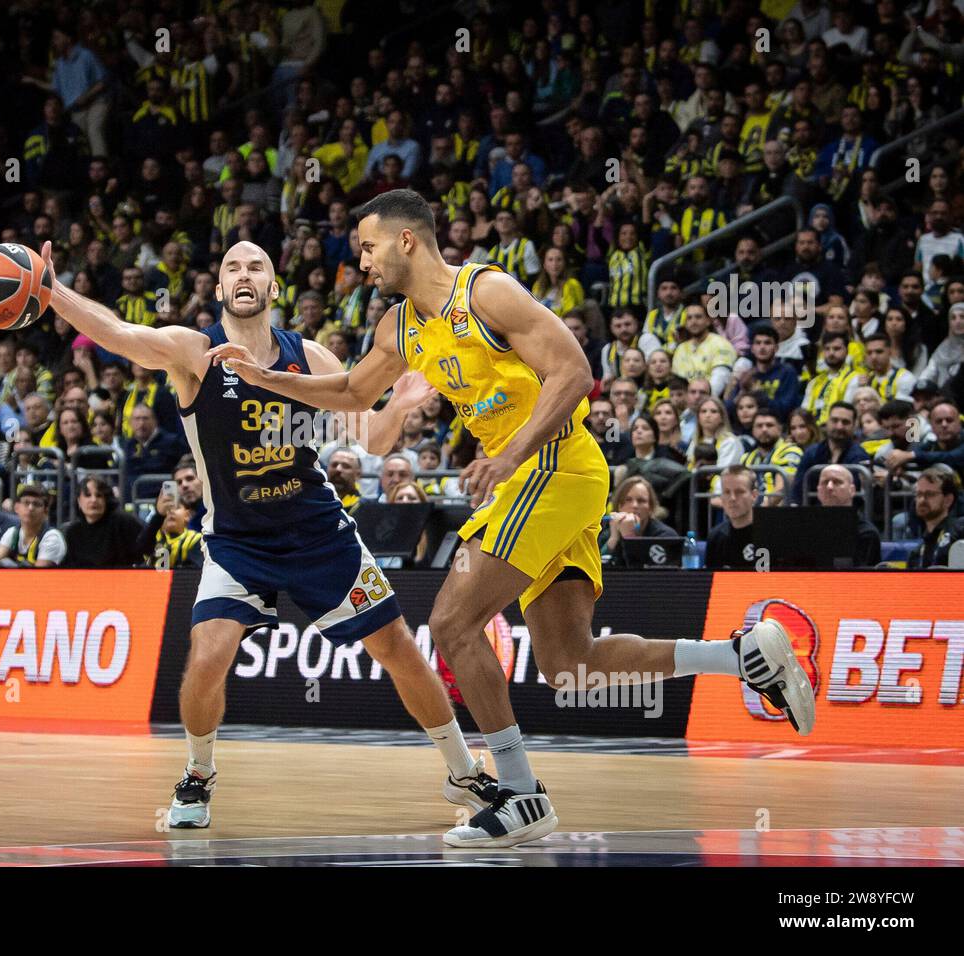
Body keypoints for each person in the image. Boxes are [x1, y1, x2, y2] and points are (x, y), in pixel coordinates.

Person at [204, 189, 816, 848]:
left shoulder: (487, 292)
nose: (362, 261)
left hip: (554, 466)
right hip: (540, 482)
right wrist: (264, 377)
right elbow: (353, 391)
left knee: (450, 621)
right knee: (566, 661)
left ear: (407, 240)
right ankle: (743, 654)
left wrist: (509, 455)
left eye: (369, 246)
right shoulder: (401, 326)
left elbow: (575, 372)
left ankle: (521, 794)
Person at [39, 236, 499, 833]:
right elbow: (121, 334)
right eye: (232, 265)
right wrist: (53, 291)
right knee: (206, 656)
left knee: (400, 651)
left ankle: (461, 768)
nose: (245, 273)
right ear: (221, 286)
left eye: (257, 264)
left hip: (317, 532)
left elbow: (374, 442)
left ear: (274, 287)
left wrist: (402, 404)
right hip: (237, 540)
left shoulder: (311, 358)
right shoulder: (194, 352)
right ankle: (198, 774)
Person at [60, 476, 145, 568]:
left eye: (99, 495)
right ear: (79, 501)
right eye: (88, 495)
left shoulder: (124, 522)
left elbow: (145, 549)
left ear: (106, 499)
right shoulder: (72, 532)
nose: (93, 500)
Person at [600, 475, 679, 568]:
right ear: (619, 506)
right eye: (628, 500)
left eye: (641, 501)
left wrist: (629, 536)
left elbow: (639, 577)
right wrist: (614, 538)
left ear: (650, 507)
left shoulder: (666, 536)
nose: (634, 505)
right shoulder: (607, 532)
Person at [815, 464, 882, 567]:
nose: (829, 487)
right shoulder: (806, 529)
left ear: (852, 490)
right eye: (824, 482)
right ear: (818, 491)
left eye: (837, 482)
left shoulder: (866, 533)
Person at [0, 484, 67, 568]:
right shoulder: (12, 532)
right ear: (17, 508)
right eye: (26, 503)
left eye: (36, 504)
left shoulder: (52, 537)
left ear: (45, 512)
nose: (30, 508)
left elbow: (38, 576)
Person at [905, 467, 964, 568]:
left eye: (929, 494)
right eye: (919, 494)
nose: (922, 500)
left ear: (948, 500)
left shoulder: (960, 531)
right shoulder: (916, 553)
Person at [704, 465, 757, 569]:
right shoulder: (716, 537)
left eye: (739, 492)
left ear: (754, 495)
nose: (732, 498)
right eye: (727, 492)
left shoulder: (771, 534)